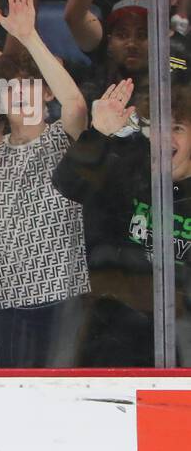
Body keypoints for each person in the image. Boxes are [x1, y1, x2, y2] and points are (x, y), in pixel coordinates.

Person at [0, 0, 90, 368]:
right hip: (3, 295)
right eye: (7, 88)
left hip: (62, 292)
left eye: (29, 86)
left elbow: (77, 108)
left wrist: (29, 37)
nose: (17, 94)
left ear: (47, 92)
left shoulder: (60, 139)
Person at [53, 83, 191, 366]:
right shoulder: (125, 171)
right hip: (108, 333)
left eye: (177, 128)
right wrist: (99, 133)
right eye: (158, 127)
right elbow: (68, 184)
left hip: (178, 339)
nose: (165, 138)